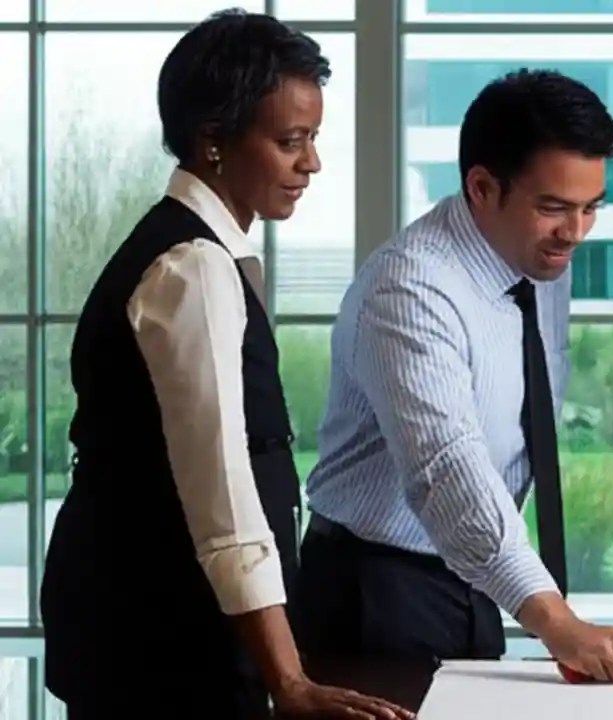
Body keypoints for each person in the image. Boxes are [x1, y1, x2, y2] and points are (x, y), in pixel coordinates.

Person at [39, 10, 413, 718]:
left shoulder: (194, 251)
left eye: (313, 139)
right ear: (213, 140)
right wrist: (289, 680)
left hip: (147, 621)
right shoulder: (194, 268)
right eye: (289, 141)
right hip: (162, 635)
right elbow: (223, 488)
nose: (312, 163)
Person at [293, 68, 613, 687]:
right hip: (374, 593)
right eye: (553, 207)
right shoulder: (410, 288)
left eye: (589, 209)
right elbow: (448, 469)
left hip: (471, 579)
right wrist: (555, 620)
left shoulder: (539, 261)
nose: (575, 233)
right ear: (480, 187)